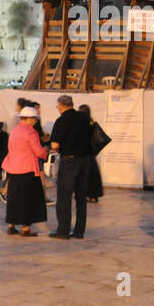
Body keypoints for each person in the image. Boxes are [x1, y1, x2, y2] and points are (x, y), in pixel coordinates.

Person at [49, 94, 92, 239]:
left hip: (69, 161)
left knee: (64, 197)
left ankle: (63, 231)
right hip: (85, 160)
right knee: (81, 198)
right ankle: (79, 232)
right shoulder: (84, 118)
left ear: (61, 105)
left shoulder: (61, 121)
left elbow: (55, 145)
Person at [3, 106, 47, 236]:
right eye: (34, 119)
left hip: (13, 168)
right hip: (28, 169)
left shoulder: (15, 130)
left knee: (14, 198)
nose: (35, 121)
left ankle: (11, 225)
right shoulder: (31, 132)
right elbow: (38, 151)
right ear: (29, 119)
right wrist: (46, 153)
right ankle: (26, 228)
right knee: (28, 199)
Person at [79, 104, 105, 203]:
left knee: (84, 176)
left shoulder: (80, 125)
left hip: (83, 154)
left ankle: (86, 195)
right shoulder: (92, 123)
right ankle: (94, 196)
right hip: (91, 154)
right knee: (93, 175)